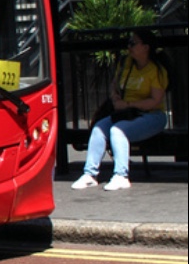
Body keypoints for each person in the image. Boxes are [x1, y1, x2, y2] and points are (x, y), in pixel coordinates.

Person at [72, 29, 169, 191]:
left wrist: (129, 104)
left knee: (118, 131)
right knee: (99, 128)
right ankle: (90, 174)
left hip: (152, 116)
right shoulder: (126, 64)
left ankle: (121, 175)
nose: (129, 47)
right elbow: (114, 85)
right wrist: (115, 98)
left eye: (133, 43)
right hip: (126, 112)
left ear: (146, 47)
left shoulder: (156, 71)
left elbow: (154, 101)